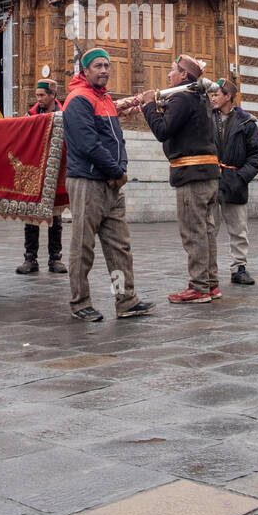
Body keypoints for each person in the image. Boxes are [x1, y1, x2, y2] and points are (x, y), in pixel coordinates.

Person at [62, 48, 153, 322]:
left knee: (119, 248)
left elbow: (118, 141)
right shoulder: (78, 100)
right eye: (98, 66)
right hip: (87, 182)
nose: (104, 70)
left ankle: (125, 300)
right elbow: (88, 145)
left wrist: (121, 168)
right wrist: (116, 171)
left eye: (107, 66)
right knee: (83, 246)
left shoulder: (105, 100)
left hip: (111, 184)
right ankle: (80, 302)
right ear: (85, 70)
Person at [141, 54, 220, 303]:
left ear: (184, 75)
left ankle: (198, 287)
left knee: (193, 232)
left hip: (191, 174)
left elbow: (163, 131)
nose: (168, 74)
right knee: (206, 231)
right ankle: (211, 283)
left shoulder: (182, 97)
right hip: (208, 173)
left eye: (172, 70)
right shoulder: (200, 98)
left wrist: (148, 107)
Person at [210, 77, 258, 285]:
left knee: (238, 228)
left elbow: (256, 155)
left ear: (228, 96)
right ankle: (206, 269)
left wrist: (240, 178)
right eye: (211, 94)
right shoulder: (205, 118)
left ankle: (239, 268)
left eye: (216, 94)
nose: (212, 98)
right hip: (210, 180)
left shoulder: (247, 122)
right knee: (208, 228)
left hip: (234, 182)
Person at [17, 78, 67, 275]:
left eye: (42, 95)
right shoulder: (30, 115)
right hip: (34, 172)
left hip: (57, 173)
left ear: (53, 95)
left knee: (55, 218)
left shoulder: (63, 115)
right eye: (37, 95)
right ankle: (30, 258)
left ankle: (55, 259)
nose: (38, 99)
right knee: (31, 216)